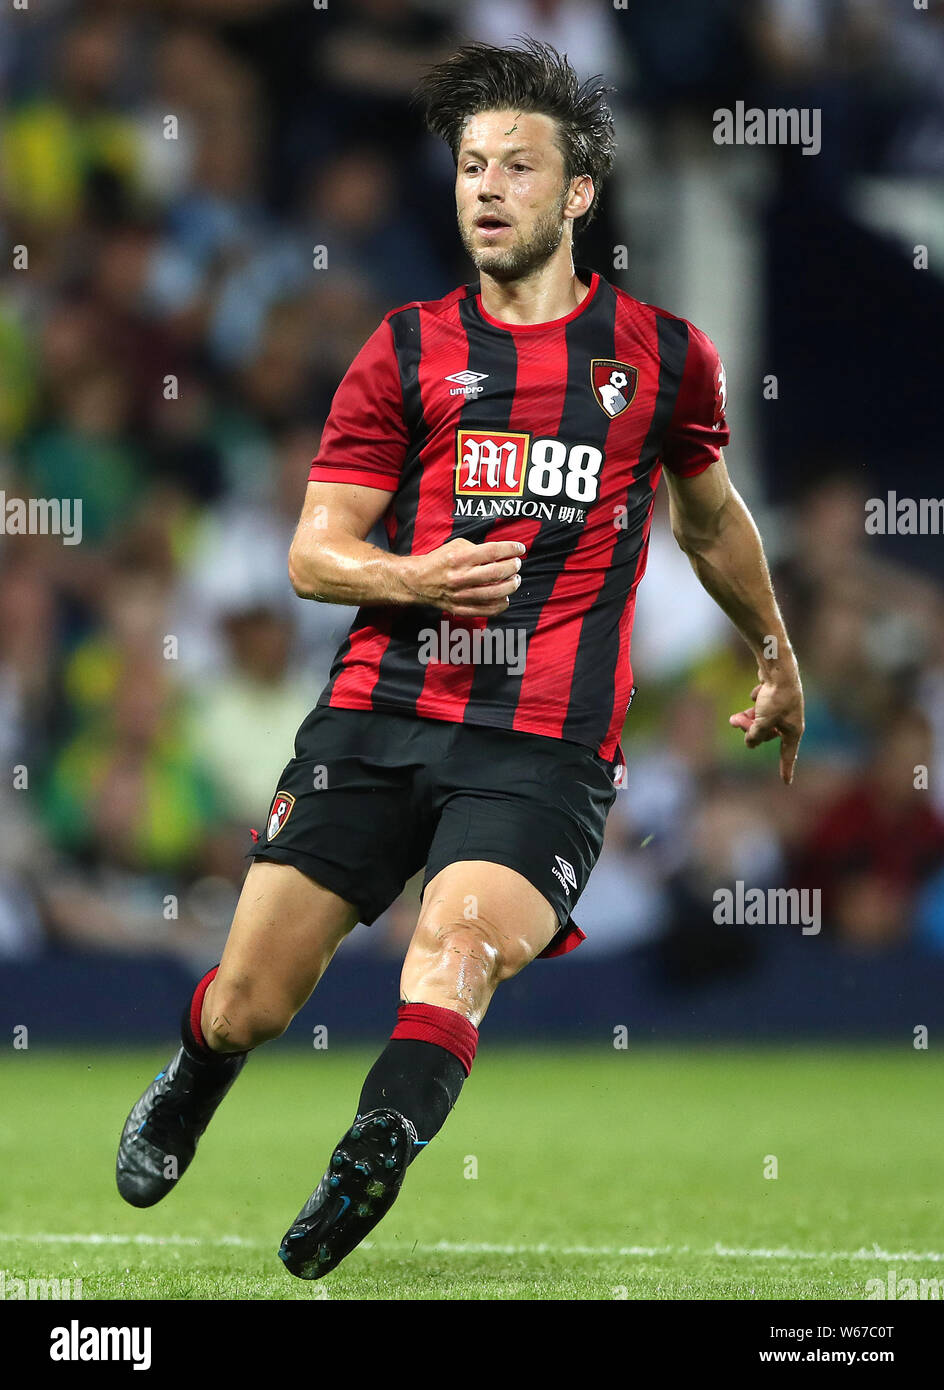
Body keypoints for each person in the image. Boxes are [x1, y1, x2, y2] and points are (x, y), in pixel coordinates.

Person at [116, 38, 804, 1281]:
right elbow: (314, 551)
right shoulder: (405, 348)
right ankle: (195, 1072)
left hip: (539, 744)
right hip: (378, 711)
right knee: (251, 1001)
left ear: (577, 193)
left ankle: (373, 1146)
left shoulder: (660, 357)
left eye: (515, 166)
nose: (484, 187)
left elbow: (706, 516)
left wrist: (773, 647)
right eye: (469, 166)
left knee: (457, 945)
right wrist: (411, 576)